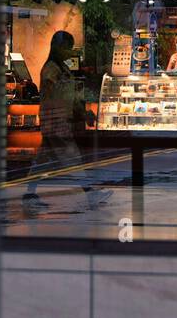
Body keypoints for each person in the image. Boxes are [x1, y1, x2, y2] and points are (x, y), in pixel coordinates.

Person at [22, 31, 112, 214]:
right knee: (72, 157)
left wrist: (81, 111)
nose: (69, 52)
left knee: (43, 160)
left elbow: (67, 96)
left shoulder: (59, 68)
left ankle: (29, 196)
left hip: (55, 119)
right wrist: (80, 112)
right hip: (56, 120)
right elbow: (61, 97)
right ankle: (90, 194)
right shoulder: (52, 70)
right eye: (66, 48)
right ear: (58, 47)